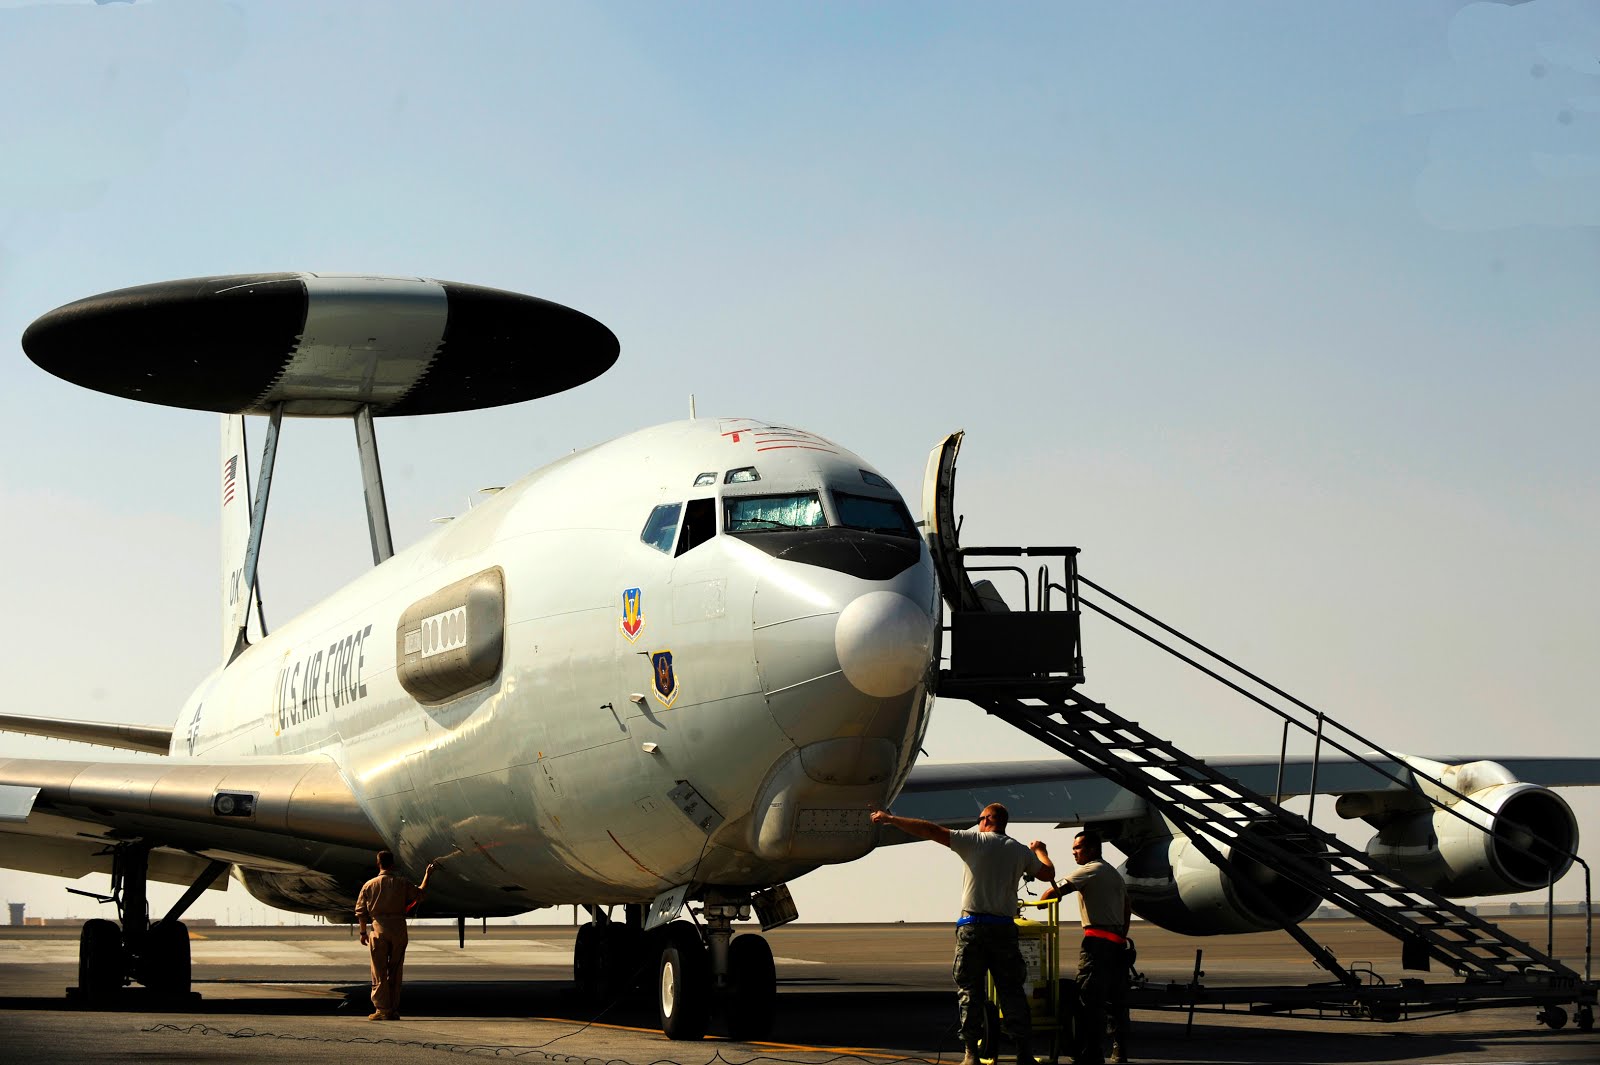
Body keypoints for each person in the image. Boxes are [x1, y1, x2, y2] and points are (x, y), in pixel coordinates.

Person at [871, 802, 1054, 1065]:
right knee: (1012, 992)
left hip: (973, 927)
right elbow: (1049, 873)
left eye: (979, 818)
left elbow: (930, 830)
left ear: (988, 820)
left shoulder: (974, 841)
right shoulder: (1019, 851)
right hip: (1004, 929)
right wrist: (1040, 851)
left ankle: (971, 1053)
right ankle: (1024, 1053)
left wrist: (891, 819)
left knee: (970, 991)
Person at [1043, 830, 1130, 1065]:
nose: (1073, 852)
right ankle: (1119, 1051)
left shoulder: (1090, 869)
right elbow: (1127, 909)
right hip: (1117, 944)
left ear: (1091, 850)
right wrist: (1121, 935)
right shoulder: (1113, 873)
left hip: (1097, 944)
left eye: (1077, 848)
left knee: (1089, 999)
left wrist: (1043, 900)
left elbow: (1055, 890)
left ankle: (1091, 1054)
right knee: (1116, 1002)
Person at [354, 850, 435, 1020]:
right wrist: (428, 875)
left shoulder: (369, 885)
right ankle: (393, 1009)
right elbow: (420, 894)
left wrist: (363, 932)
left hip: (378, 928)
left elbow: (361, 912)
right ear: (392, 864)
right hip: (398, 928)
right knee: (396, 969)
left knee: (378, 970)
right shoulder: (402, 883)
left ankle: (381, 1009)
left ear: (378, 864)